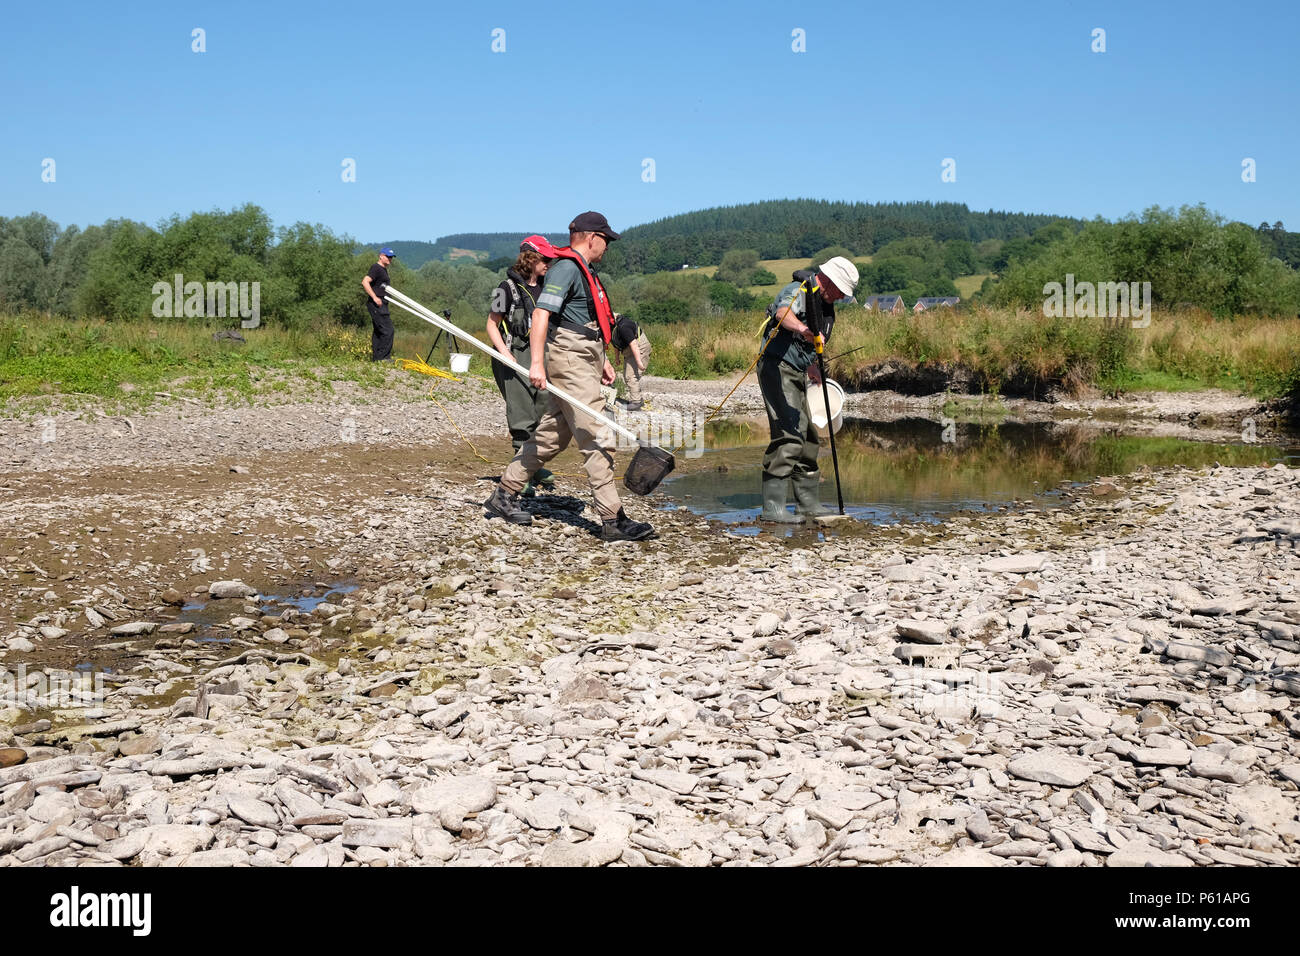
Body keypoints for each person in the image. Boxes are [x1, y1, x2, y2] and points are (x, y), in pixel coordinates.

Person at [483, 212, 654, 542]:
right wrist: (536, 363)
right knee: (597, 433)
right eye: (606, 240)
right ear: (592, 238)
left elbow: (585, 321)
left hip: (583, 356)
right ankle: (612, 518)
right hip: (569, 359)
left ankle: (504, 493)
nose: (607, 247)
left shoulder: (583, 270)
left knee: (551, 437)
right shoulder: (566, 268)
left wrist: (602, 360)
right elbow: (542, 314)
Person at [756, 256, 859, 523]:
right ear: (830, 280)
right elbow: (782, 314)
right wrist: (804, 329)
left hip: (796, 371)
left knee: (809, 435)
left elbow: (809, 346)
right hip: (776, 367)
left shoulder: (823, 304)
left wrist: (813, 366)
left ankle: (807, 504)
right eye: (840, 291)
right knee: (790, 434)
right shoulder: (800, 291)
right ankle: (773, 509)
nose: (839, 298)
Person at [486, 236, 559, 497]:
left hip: (540, 353)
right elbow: (491, 325)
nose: (549, 263)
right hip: (514, 353)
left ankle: (533, 464)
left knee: (543, 406)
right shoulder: (504, 288)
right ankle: (519, 470)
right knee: (522, 411)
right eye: (545, 259)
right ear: (530, 258)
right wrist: (505, 354)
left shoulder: (547, 287)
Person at [610, 314, 651, 411]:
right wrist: (617, 358)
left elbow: (633, 344)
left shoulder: (623, 326)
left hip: (639, 348)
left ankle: (636, 403)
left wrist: (639, 362)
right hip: (630, 351)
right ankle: (636, 399)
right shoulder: (614, 328)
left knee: (631, 376)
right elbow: (615, 344)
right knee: (627, 375)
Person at [362, 248, 396, 361]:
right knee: (388, 330)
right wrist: (375, 297)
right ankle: (384, 358)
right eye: (388, 256)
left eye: (391, 257)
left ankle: (377, 358)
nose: (390, 259)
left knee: (378, 331)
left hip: (382, 303)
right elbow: (365, 281)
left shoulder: (383, 269)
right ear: (381, 256)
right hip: (377, 304)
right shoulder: (376, 268)